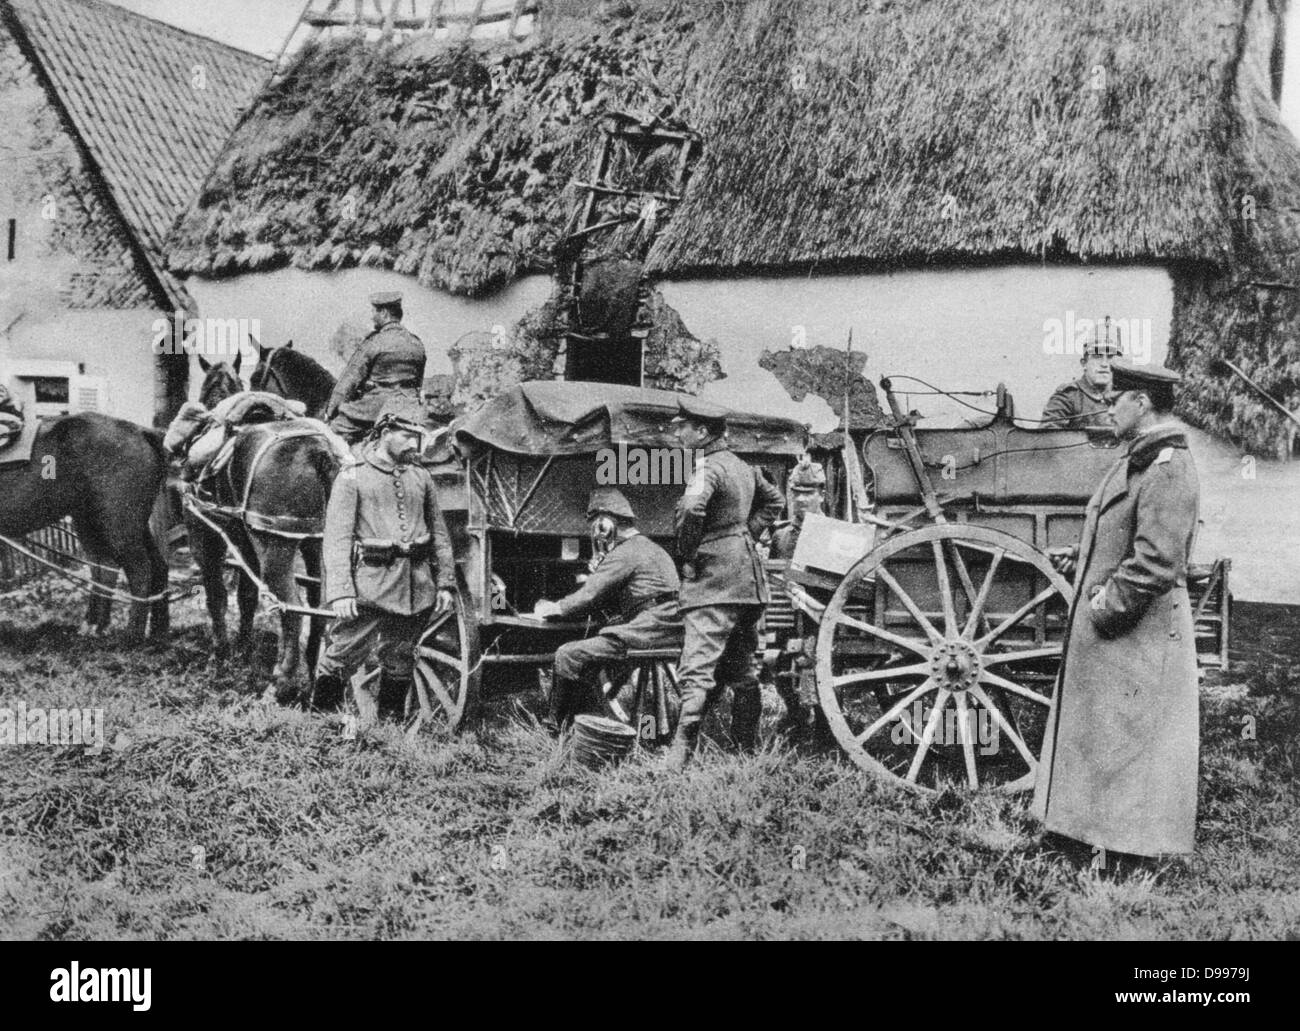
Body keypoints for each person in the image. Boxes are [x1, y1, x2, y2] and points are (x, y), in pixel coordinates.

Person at [1033, 360, 1200, 864]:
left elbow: (1156, 560)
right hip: (1123, 630)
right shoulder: (1141, 458)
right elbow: (1122, 530)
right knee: (1106, 735)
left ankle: (1129, 854)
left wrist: (1105, 608)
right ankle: (1084, 836)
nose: (1108, 405)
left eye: (1118, 398)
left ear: (1142, 403)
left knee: (1132, 741)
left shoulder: (1168, 466)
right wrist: (1083, 554)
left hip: (1137, 629)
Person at [314, 397, 456, 720]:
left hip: (415, 589)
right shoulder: (352, 476)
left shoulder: (422, 478)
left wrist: (445, 583)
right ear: (385, 431)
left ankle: (389, 730)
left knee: (402, 656)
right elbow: (336, 539)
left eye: (418, 436)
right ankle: (320, 725)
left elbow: (441, 537)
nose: (414, 444)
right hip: (369, 588)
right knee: (344, 654)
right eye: (407, 435)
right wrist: (341, 591)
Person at [665, 397, 785, 767]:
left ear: (702, 432)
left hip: (714, 581)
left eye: (683, 427)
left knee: (697, 669)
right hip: (748, 582)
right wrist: (742, 535)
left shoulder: (707, 468)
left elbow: (690, 508)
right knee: (742, 666)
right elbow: (775, 501)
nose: (678, 432)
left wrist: (689, 554)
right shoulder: (742, 466)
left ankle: (679, 759)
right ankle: (743, 751)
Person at [533, 488, 682, 733]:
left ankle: (554, 727)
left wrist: (554, 607)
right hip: (673, 626)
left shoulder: (624, 553)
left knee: (567, 654)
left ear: (606, 523)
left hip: (648, 630)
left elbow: (588, 595)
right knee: (592, 650)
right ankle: (587, 714)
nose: (596, 534)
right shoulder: (652, 548)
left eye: (595, 525)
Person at [323, 292, 427, 444]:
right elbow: (418, 381)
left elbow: (350, 380)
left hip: (377, 407)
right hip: (409, 407)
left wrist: (330, 411)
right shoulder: (416, 343)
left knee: (332, 435)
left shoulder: (375, 342)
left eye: (374, 312)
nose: (372, 317)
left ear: (384, 313)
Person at [770, 455, 826, 733]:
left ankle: (827, 727)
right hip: (786, 619)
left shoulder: (835, 535)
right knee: (778, 667)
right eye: (796, 493)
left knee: (824, 674)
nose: (801, 500)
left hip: (821, 621)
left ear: (822, 495)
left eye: (809, 493)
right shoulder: (780, 537)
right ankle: (795, 715)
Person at [1041, 332, 1121, 430]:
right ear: (1084, 363)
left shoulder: (1124, 396)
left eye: (1110, 357)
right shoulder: (1069, 397)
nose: (1104, 364)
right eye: (1097, 356)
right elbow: (1049, 437)